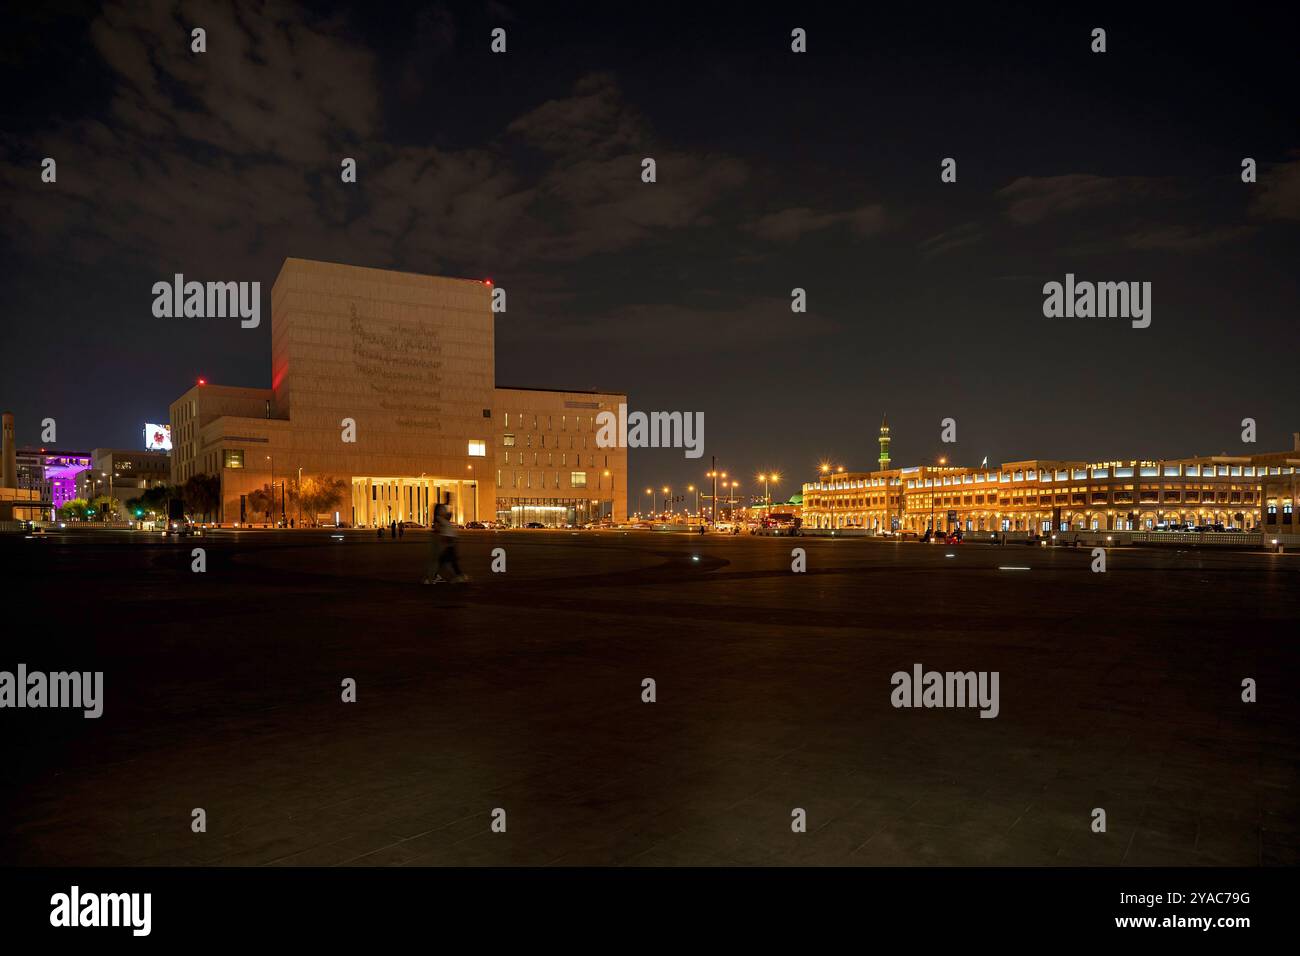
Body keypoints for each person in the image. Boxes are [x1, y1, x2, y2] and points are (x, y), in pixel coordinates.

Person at [424, 503, 467, 584]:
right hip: (447, 543)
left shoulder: (444, 518)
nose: (444, 510)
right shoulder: (438, 519)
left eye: (444, 509)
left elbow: (449, 514)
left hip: (450, 543)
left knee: (445, 562)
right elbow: (437, 531)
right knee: (446, 562)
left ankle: (433, 577)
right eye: (442, 509)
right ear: (438, 511)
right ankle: (460, 576)